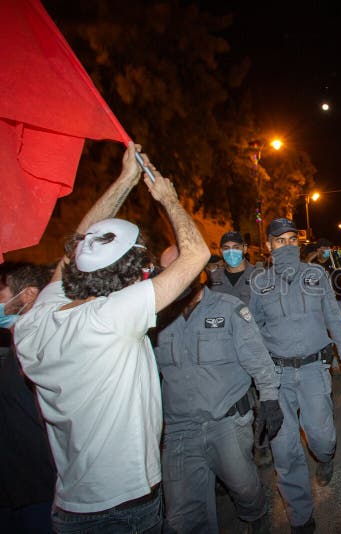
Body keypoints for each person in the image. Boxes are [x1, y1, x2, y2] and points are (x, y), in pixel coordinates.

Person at [14, 142, 210, 533]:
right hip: (127, 504)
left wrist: (125, 180)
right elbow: (196, 254)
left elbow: (75, 248)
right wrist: (168, 198)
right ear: (132, 274)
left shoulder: (34, 321)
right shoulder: (113, 317)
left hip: (69, 505)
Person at [152, 246, 282, 533]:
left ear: (200, 272)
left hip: (227, 423)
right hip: (178, 430)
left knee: (244, 488)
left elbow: (258, 359)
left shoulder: (229, 309)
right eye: (167, 271)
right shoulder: (154, 319)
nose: (175, 276)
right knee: (183, 517)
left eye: (182, 268)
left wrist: (270, 399)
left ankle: (256, 514)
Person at [249, 217, 341, 534]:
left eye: (292, 239)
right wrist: (258, 377)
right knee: (285, 451)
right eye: (279, 240)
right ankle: (301, 518)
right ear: (269, 245)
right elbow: (252, 332)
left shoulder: (316, 275)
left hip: (314, 370)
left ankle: (325, 458)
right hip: (277, 377)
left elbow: (335, 319)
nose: (287, 245)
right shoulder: (259, 283)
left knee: (322, 438)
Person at [0, 263, 55, 533]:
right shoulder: (13, 345)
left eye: (1, 293)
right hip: (12, 489)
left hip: (38, 487)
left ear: (29, 294)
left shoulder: (41, 345)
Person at [208, 231, 256, 305]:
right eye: (226, 248)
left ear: (245, 249)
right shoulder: (213, 278)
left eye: (236, 247)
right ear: (221, 251)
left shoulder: (258, 275)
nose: (231, 252)